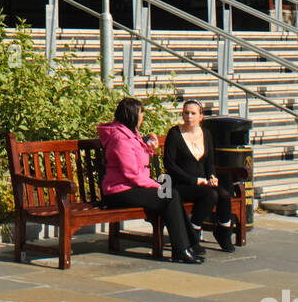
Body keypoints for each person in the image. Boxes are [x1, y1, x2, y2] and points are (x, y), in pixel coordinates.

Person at [98, 97, 203, 264]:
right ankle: (183, 248)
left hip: (131, 187)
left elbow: (138, 163)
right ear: (131, 115)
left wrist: (148, 149)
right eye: (140, 113)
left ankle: (187, 246)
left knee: (172, 194)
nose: (142, 117)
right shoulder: (120, 138)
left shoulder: (131, 133)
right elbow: (130, 172)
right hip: (118, 191)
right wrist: (155, 185)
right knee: (168, 195)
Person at [164, 100, 234, 253]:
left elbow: (210, 163)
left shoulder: (206, 134)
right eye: (186, 112)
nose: (189, 116)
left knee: (223, 194)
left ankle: (223, 233)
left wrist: (212, 176)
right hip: (180, 184)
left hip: (202, 183)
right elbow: (170, 165)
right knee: (210, 194)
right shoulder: (175, 134)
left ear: (201, 116)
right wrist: (194, 180)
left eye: (193, 113)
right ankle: (193, 235)